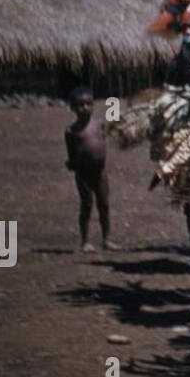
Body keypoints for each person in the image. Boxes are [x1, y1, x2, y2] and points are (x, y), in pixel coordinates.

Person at [64, 86, 117, 253]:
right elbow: (72, 153)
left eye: (88, 104)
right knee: (86, 205)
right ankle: (85, 241)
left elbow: (106, 139)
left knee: (105, 205)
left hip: (100, 173)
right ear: (72, 107)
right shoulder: (71, 131)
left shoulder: (100, 125)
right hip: (83, 174)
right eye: (80, 105)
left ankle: (106, 239)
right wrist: (72, 163)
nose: (85, 108)